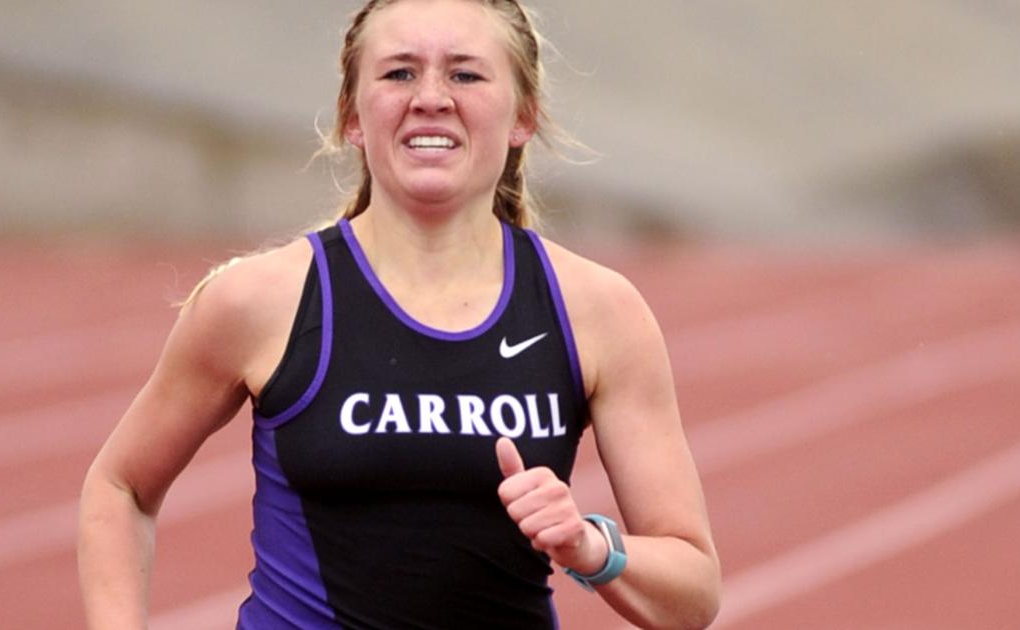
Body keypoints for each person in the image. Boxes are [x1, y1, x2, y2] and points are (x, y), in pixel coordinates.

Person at [77, 0, 721, 628]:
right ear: (352, 116)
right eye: (399, 73)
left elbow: (692, 591)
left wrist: (591, 546)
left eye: (465, 73)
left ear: (524, 115)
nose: (431, 97)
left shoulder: (597, 312)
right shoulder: (260, 301)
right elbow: (121, 488)